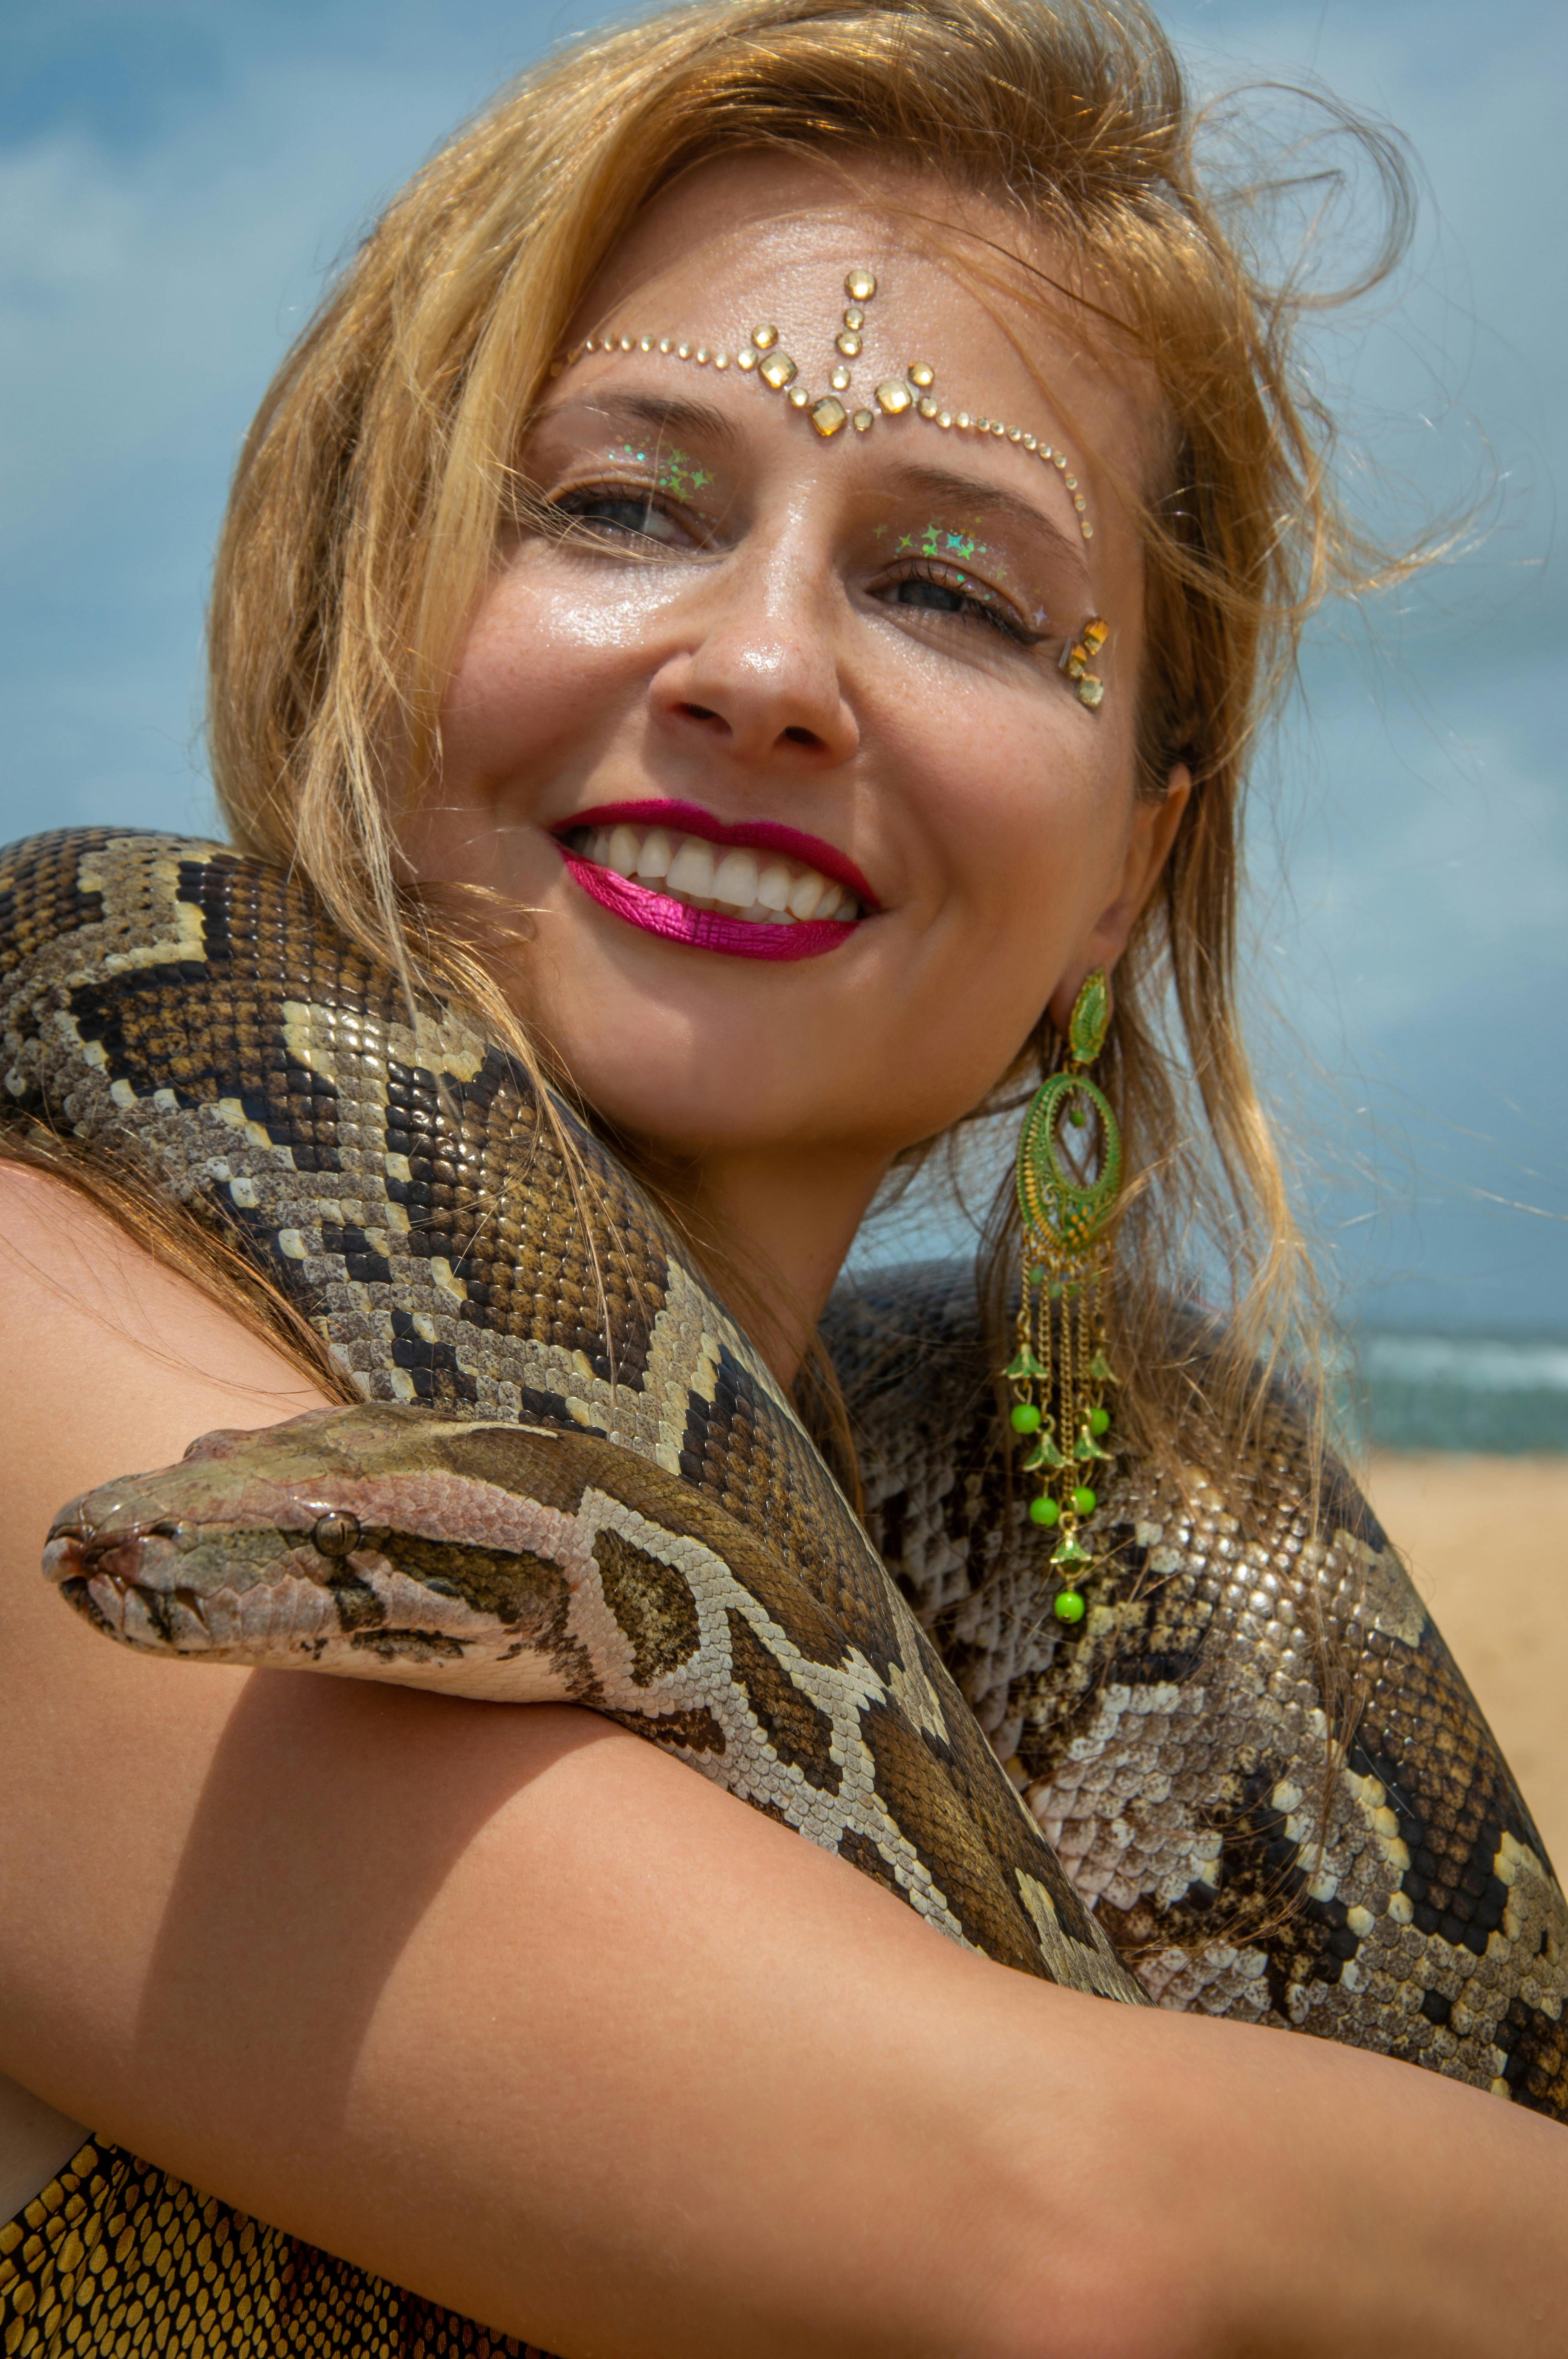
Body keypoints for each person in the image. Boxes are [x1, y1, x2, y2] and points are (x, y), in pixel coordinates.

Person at [2, 0, 1566, 2352]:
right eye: (620, 506)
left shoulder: (1020, 1468)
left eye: (953, 591)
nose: (763, 668)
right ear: (361, 608)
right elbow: (1077, 2242)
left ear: (1130, 874)